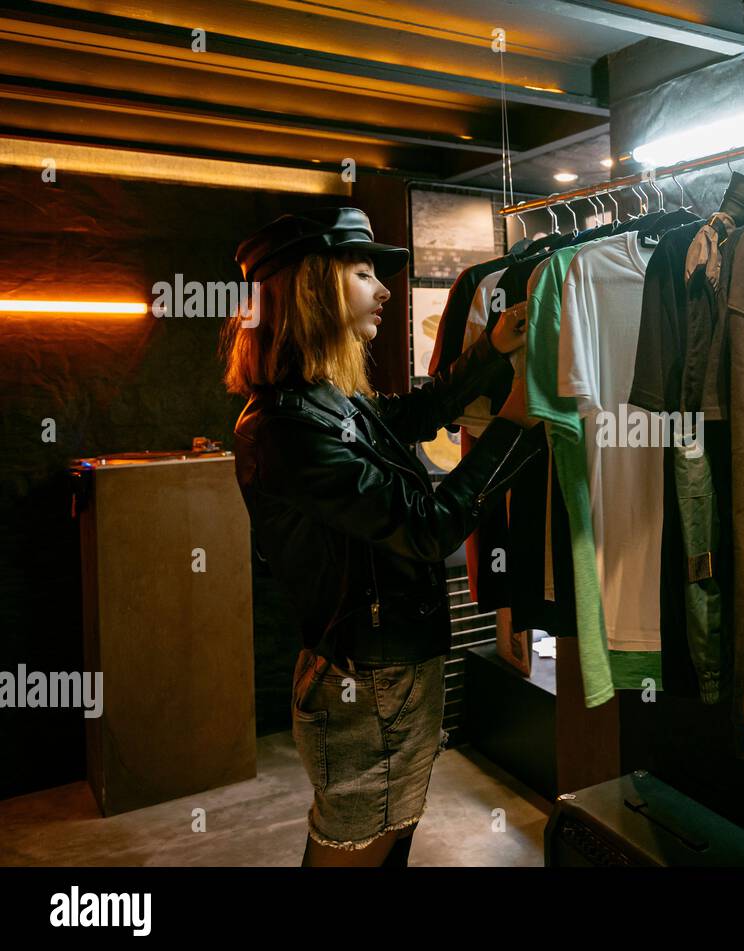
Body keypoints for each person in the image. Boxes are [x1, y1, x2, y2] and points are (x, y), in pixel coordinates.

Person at [222, 207, 542, 866]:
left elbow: (411, 415)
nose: (386, 289)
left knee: (388, 838)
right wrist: (513, 426)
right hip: (366, 680)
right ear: (313, 288)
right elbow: (426, 529)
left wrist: (491, 352)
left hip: (388, 670)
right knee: (358, 847)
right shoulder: (283, 428)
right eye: (364, 272)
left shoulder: (323, 399)